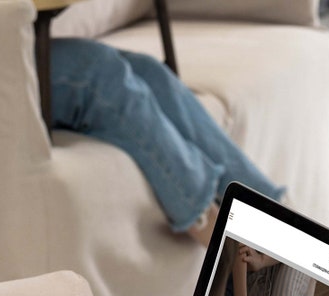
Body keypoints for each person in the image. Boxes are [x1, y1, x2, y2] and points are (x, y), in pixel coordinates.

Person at [49, 39, 283, 244]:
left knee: (148, 70)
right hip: (15, 57)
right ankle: (215, 234)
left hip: (26, 37)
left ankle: (272, 211)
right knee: (99, 71)